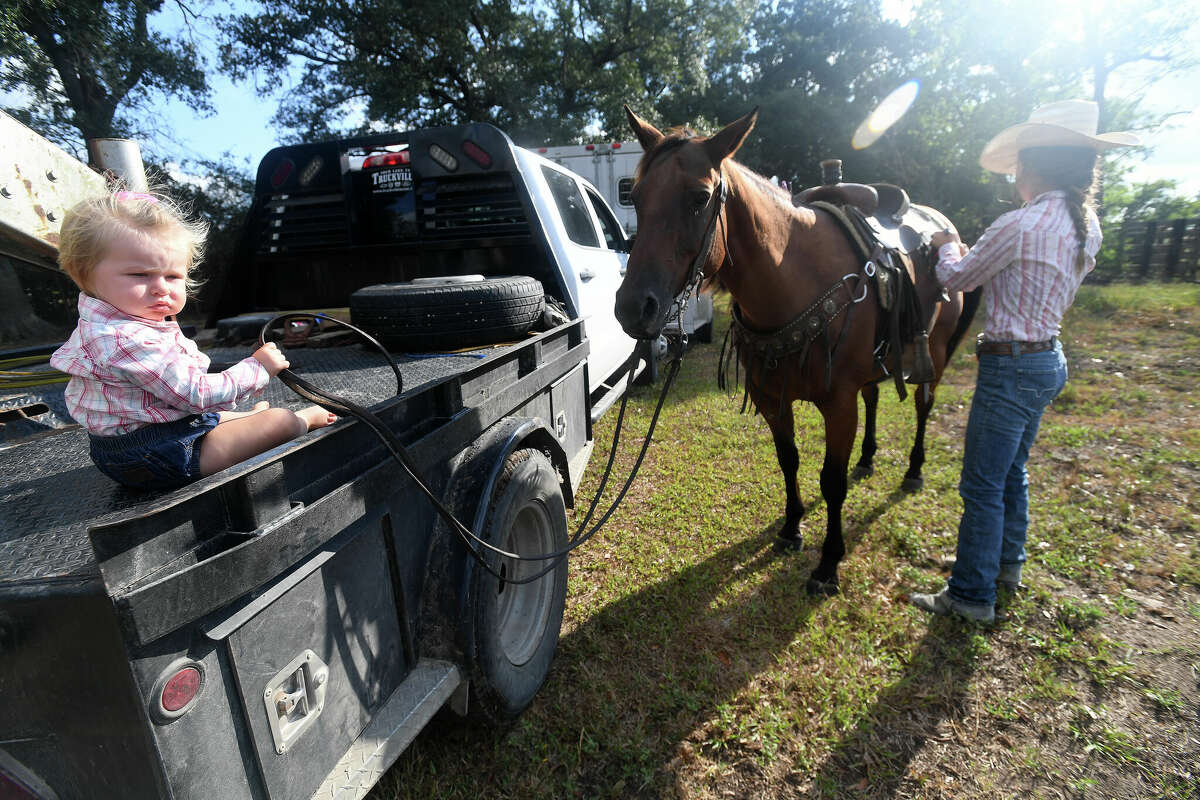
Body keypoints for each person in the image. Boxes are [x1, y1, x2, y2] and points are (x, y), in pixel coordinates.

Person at [909, 100, 1139, 624]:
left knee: (983, 484)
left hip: (1011, 364)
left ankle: (970, 594)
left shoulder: (1019, 225)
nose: (1015, 172)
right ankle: (1003, 564)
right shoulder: (1087, 227)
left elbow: (957, 280)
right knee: (1014, 471)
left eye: (1020, 163)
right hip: (1048, 361)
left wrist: (947, 245)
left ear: (1034, 166)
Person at [50, 188, 336, 491]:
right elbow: (195, 394)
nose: (161, 288)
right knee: (282, 422)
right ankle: (305, 419)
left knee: (216, 416)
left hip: (156, 434)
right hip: (154, 455)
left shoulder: (117, 321)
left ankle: (241, 422)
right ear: (84, 273)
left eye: (173, 276)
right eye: (139, 275)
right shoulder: (124, 339)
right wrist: (257, 368)